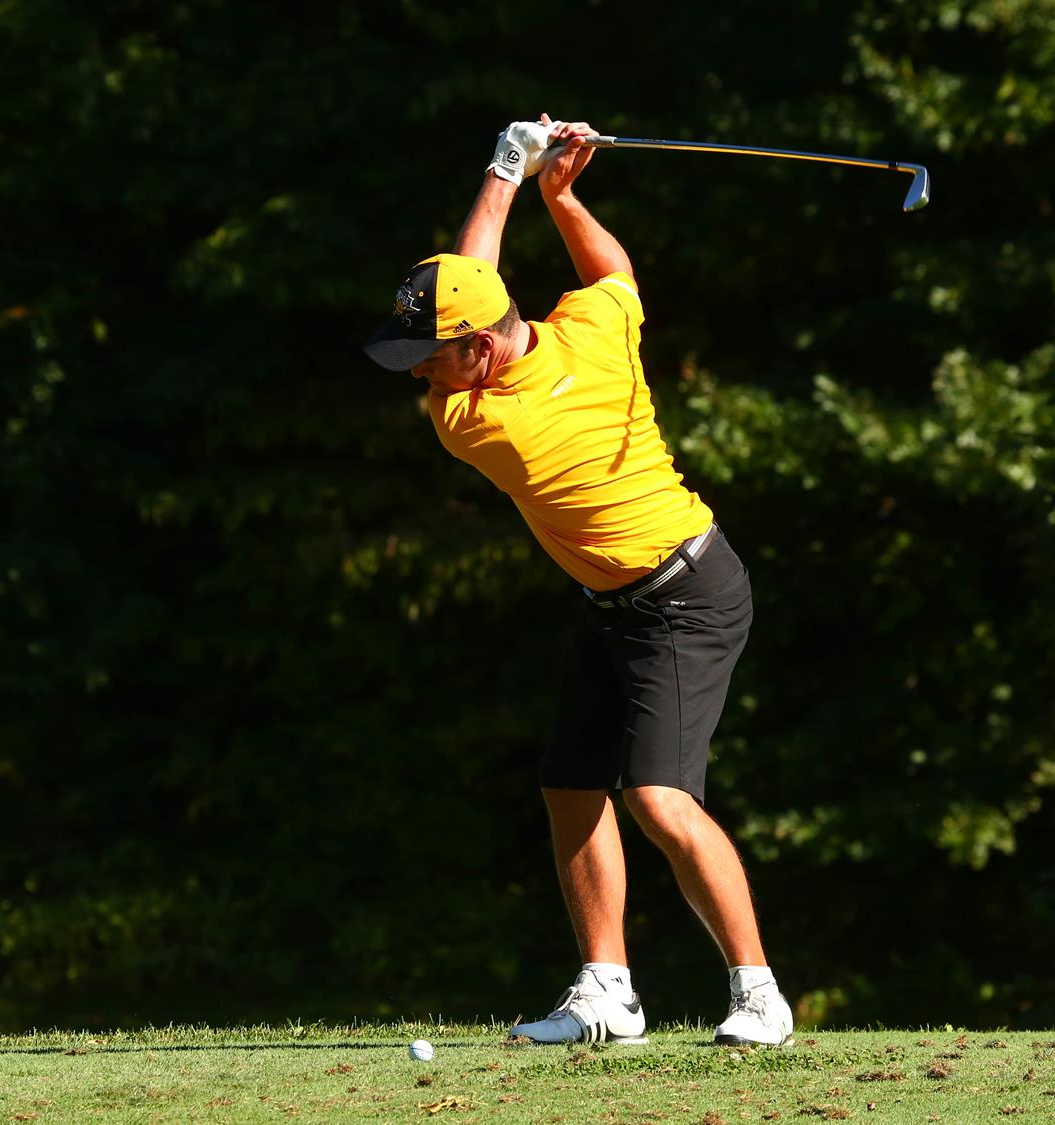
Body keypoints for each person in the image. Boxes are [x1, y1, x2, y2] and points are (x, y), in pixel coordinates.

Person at [363, 115, 794, 1048]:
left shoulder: (478, 424)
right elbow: (611, 276)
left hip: (686, 596)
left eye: (428, 354)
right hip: (616, 601)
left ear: (479, 353)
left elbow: (479, 272)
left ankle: (760, 992)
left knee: (658, 798)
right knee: (570, 785)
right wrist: (556, 194)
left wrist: (508, 170)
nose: (418, 370)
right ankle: (608, 991)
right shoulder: (595, 330)